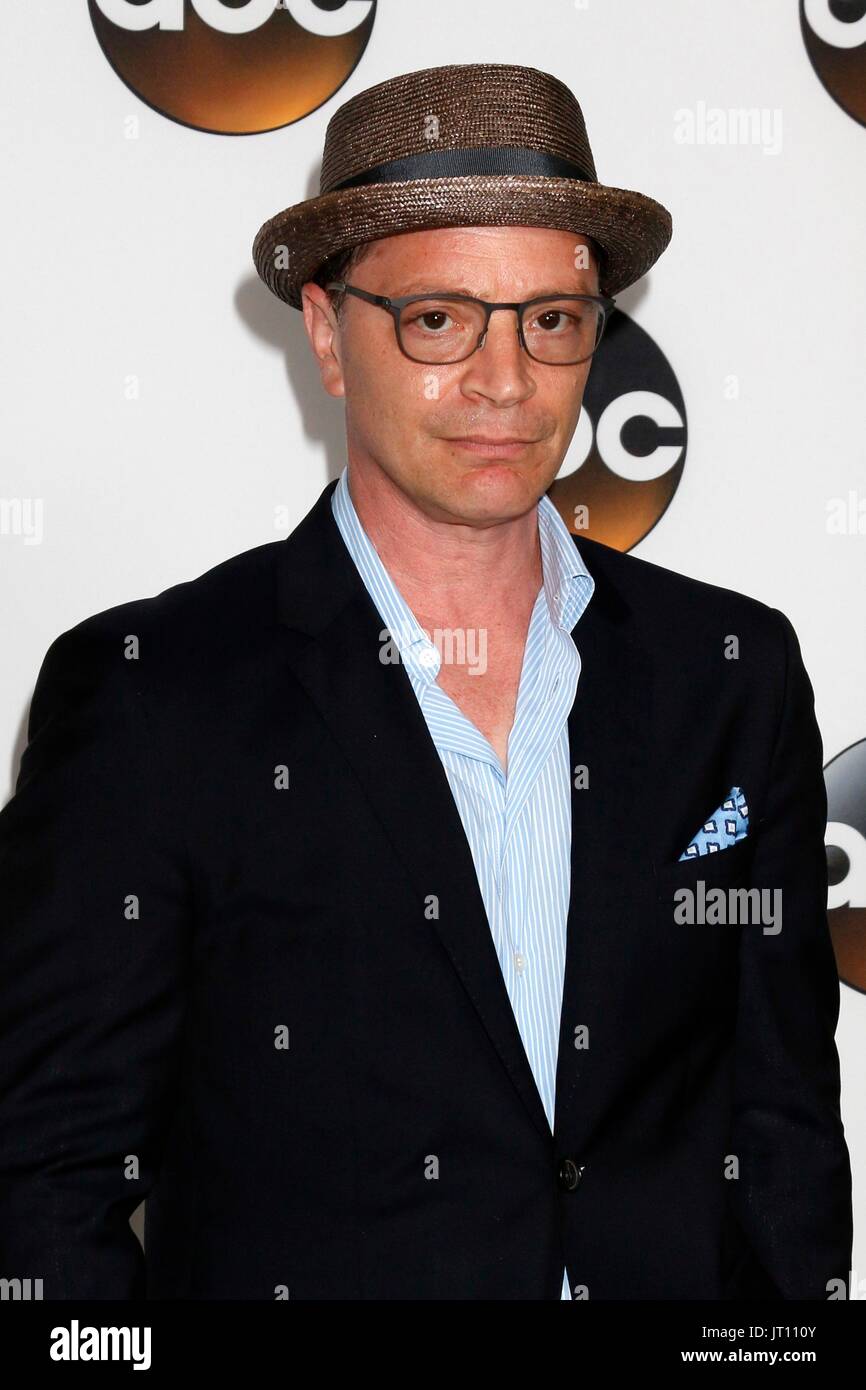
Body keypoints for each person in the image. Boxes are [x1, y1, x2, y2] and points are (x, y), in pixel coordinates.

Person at [0, 61, 852, 1301]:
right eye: (439, 319)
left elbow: (781, 1132)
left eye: (549, 320)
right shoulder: (151, 697)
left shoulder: (730, 674)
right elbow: (44, 1177)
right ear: (326, 333)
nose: (504, 381)